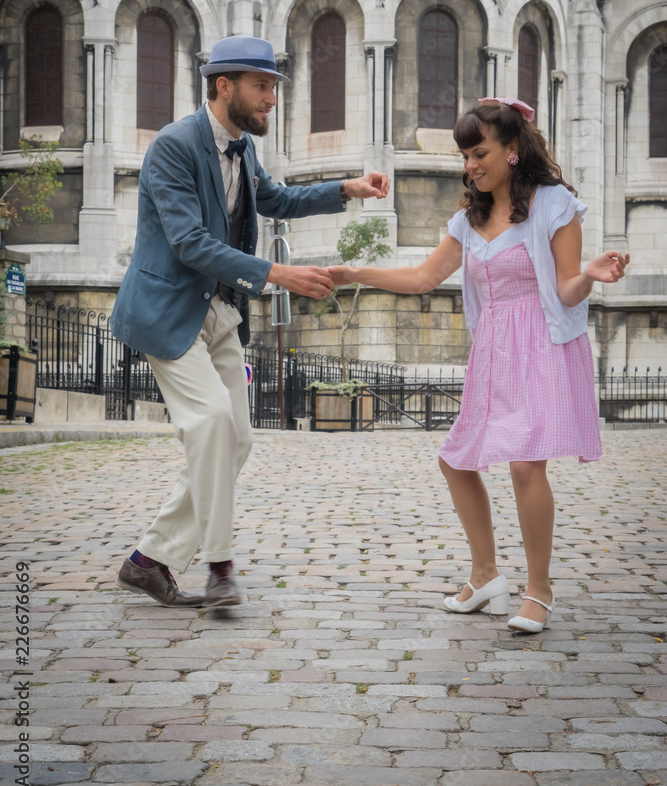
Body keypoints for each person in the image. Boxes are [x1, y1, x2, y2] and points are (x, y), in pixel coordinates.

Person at [330, 97, 629, 634]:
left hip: (541, 345)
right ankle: (486, 575)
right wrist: (357, 274)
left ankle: (539, 591)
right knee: (457, 460)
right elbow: (423, 278)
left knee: (523, 462)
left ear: (513, 150)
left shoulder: (554, 204)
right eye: (465, 155)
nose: (470, 164)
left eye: (479, 152)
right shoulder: (468, 220)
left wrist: (591, 274)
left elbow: (564, 289)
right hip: (492, 351)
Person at [111, 35, 390, 609]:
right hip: (169, 312)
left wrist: (347, 189)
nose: (271, 99)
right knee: (212, 423)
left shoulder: (242, 149)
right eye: (262, 86)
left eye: (274, 88)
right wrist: (278, 274)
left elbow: (276, 200)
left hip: (221, 313)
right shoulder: (174, 147)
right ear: (223, 86)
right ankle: (219, 569)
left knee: (235, 441)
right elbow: (188, 242)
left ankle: (147, 560)